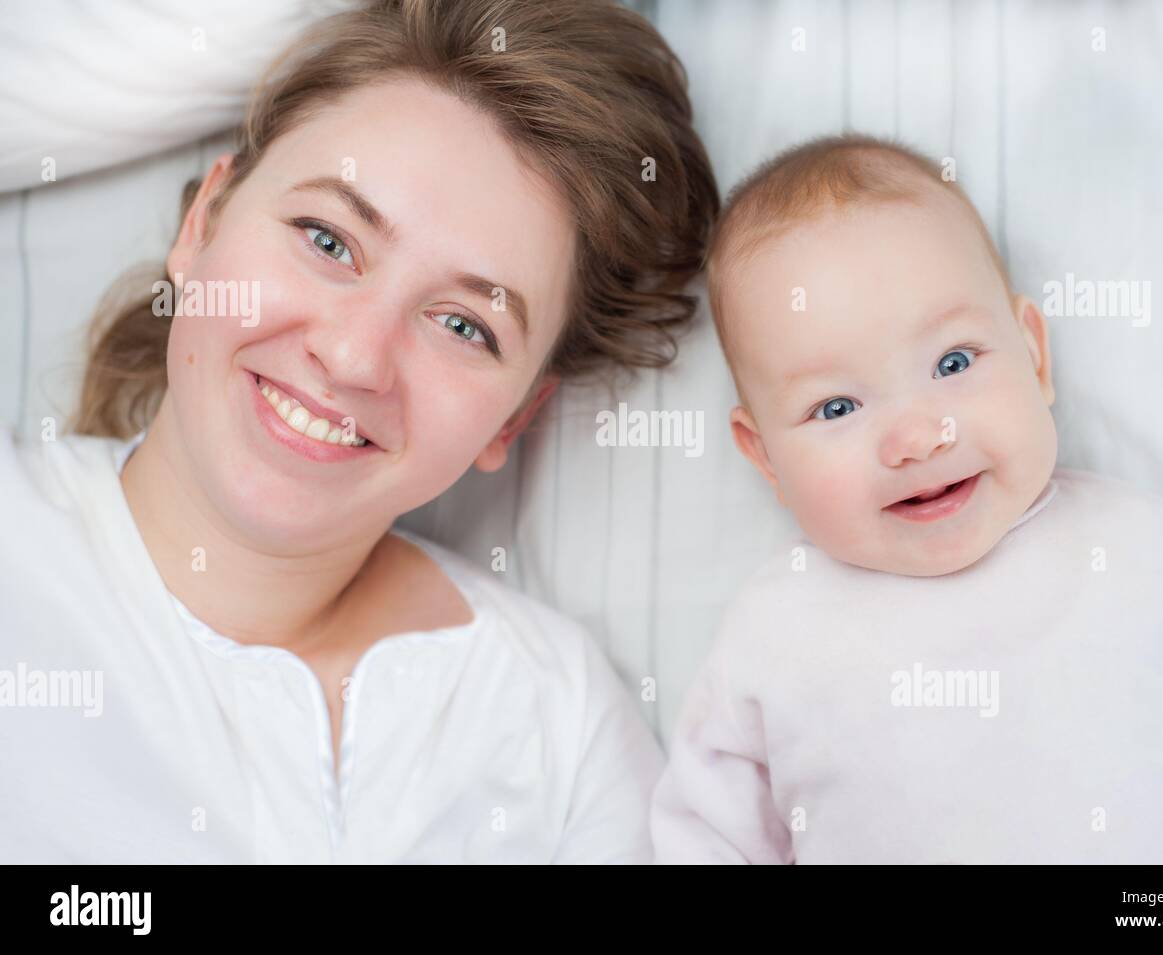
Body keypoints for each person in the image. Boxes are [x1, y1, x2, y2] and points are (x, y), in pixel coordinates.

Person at [0, 0, 719, 863]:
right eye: (327, 239)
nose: (352, 356)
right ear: (203, 227)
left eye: (464, 326)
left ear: (516, 416)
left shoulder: (559, 725)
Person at [649, 134, 1163, 863]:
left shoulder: (1145, 548)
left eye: (953, 361)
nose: (918, 437)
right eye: (836, 408)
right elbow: (703, 836)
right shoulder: (770, 632)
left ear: (1035, 355)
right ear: (765, 456)